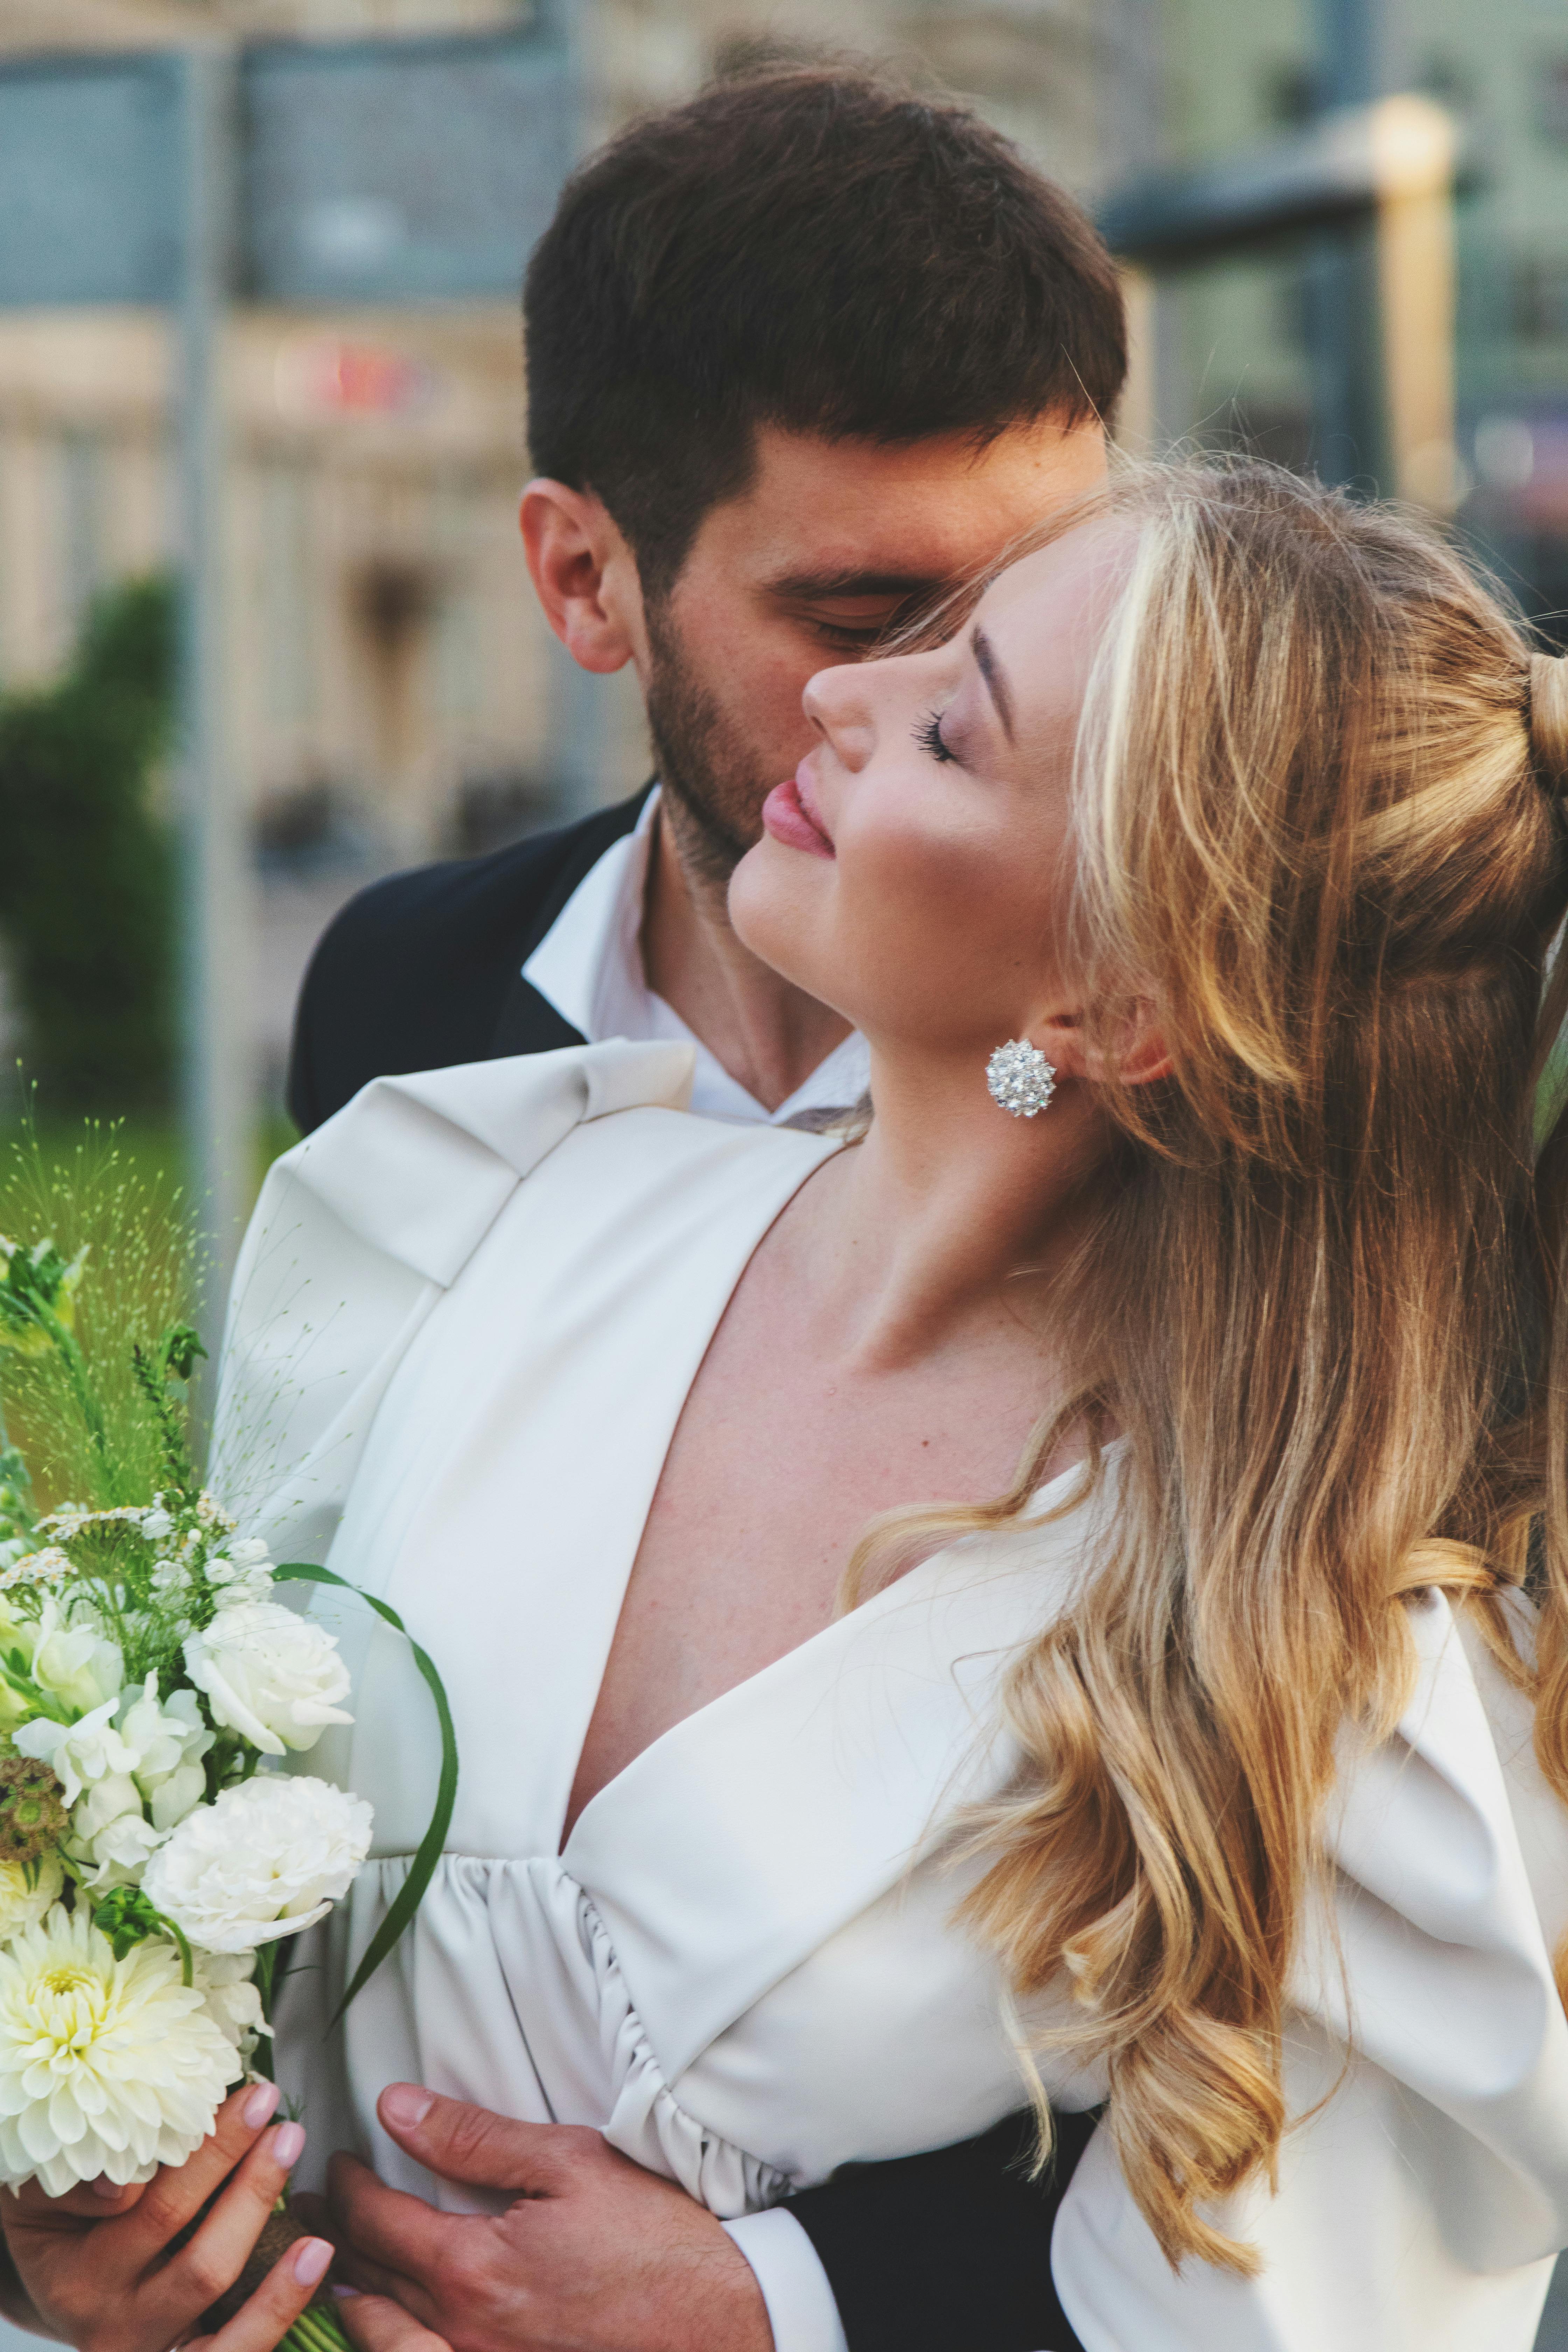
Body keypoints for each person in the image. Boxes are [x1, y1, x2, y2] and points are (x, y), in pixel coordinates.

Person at [18, 456, 1568, 2352]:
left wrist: (781, 2318)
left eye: (952, 724)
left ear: (1116, 1013)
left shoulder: (1315, 1640)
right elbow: (157, 1909)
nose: (841, 701)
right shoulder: (482, 1207)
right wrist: (86, 2247)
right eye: (911, 643)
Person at [282, 60, 1124, 2352]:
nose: (938, 699)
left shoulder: (1212, 1144)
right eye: (863, 609)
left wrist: (789, 2302)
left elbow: (1358, 2066)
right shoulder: (408, 997)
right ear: (582, 575)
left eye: (1032, 617)